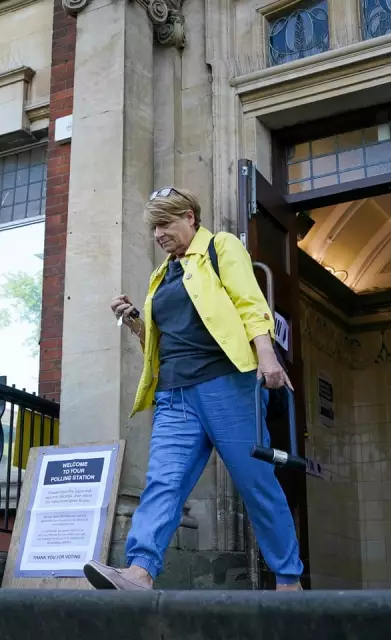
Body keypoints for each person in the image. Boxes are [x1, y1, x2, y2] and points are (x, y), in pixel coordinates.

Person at [83, 187, 304, 592]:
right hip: (174, 394)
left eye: (165, 224)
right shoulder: (161, 275)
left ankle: (289, 581)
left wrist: (267, 356)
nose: (158, 234)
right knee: (163, 482)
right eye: (154, 228)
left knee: (256, 484)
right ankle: (139, 572)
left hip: (227, 384)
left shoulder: (221, 248)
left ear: (189, 217)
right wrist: (135, 321)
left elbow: (250, 303)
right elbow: (165, 339)